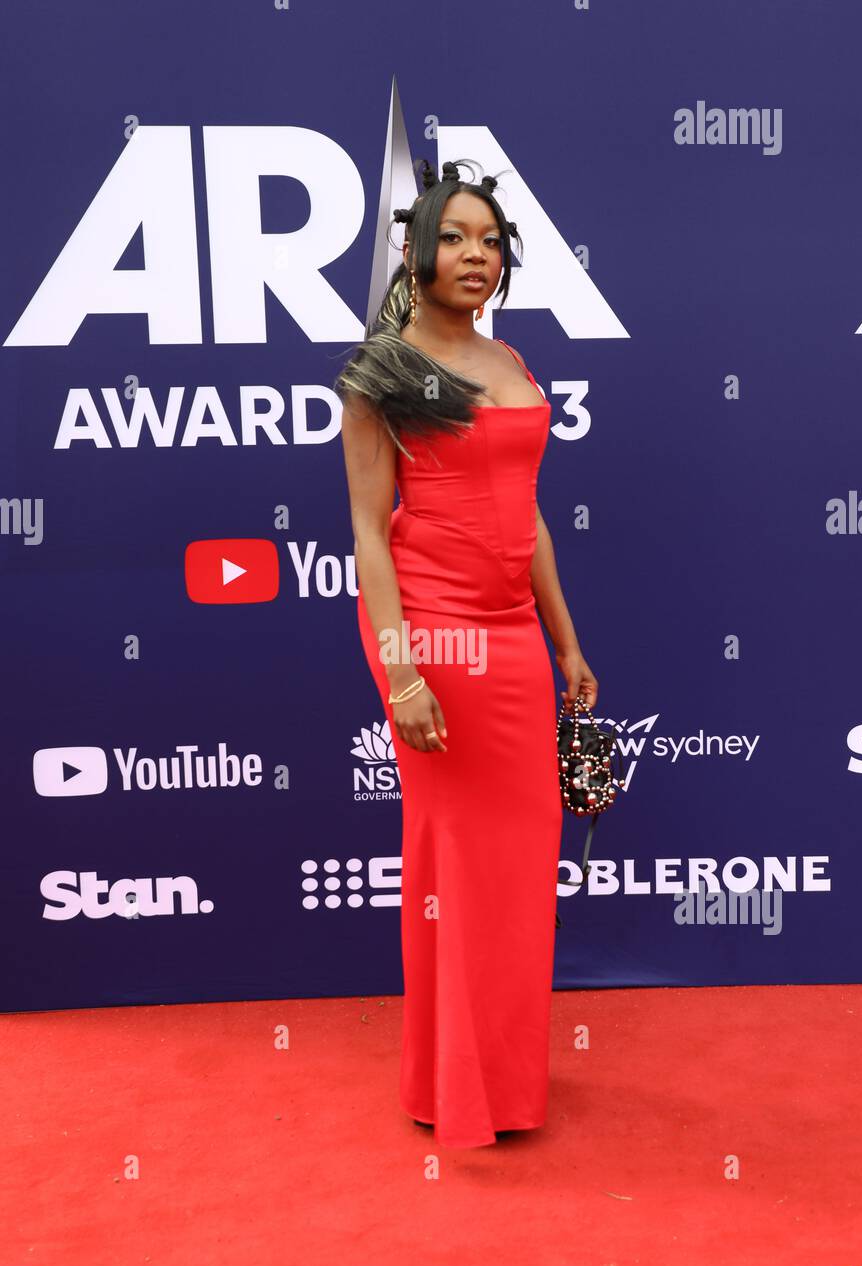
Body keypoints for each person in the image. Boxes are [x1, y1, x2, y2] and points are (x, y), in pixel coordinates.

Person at [336, 157, 598, 1149]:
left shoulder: (512, 361)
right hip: (433, 632)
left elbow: (524, 515)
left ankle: (504, 1079)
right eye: (454, 237)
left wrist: (563, 638)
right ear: (415, 251)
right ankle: (449, 1085)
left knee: (520, 863)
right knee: (449, 854)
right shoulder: (381, 372)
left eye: (488, 240)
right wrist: (400, 670)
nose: (474, 255)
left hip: (511, 637)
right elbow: (369, 532)